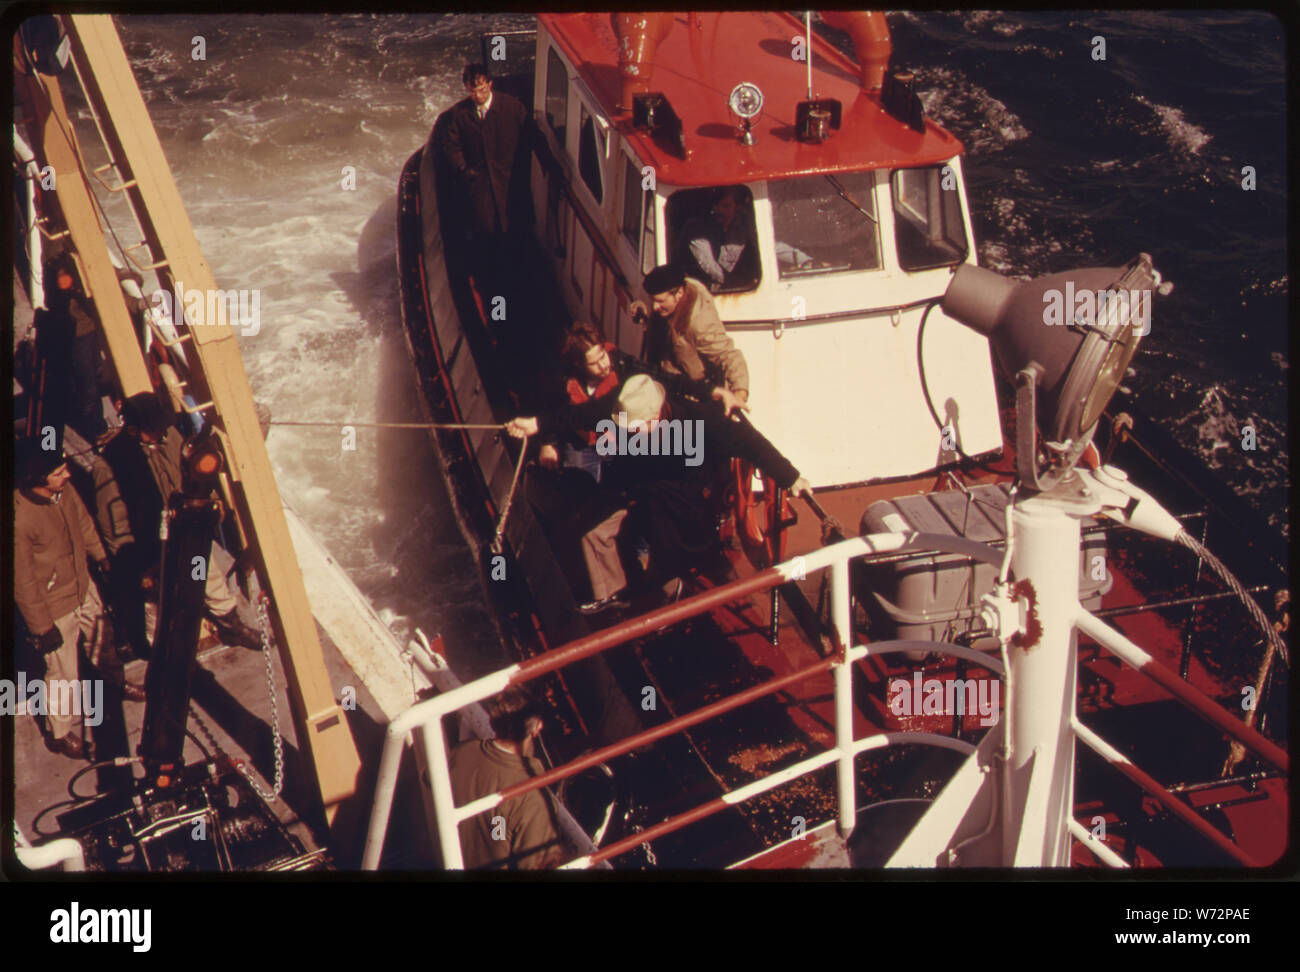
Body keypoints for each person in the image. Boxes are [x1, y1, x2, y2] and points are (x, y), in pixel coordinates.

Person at [513, 375, 810, 614]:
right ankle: (615, 599)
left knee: (663, 555)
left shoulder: (701, 422)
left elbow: (750, 443)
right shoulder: (623, 410)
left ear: (656, 414)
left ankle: (664, 596)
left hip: (680, 503)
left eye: (636, 427)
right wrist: (536, 424)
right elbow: (578, 415)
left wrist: (791, 477)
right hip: (634, 486)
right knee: (592, 532)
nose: (628, 432)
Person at [93, 392, 261, 654]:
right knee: (155, 601)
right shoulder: (110, 464)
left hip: (186, 528)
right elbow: (114, 525)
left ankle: (231, 624)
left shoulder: (169, 436)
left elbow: (195, 471)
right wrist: (137, 567)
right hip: (149, 547)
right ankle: (156, 648)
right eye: (155, 430)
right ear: (134, 428)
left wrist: (213, 501)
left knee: (208, 573)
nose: (161, 433)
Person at [13, 439, 136, 760]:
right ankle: (60, 733)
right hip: (54, 607)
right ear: (37, 481)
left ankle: (117, 684)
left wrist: (101, 558)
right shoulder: (18, 521)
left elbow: (83, 523)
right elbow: (22, 582)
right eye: (58, 472)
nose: (67, 475)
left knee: (104, 643)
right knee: (63, 674)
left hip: (83, 587)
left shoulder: (63, 493)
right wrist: (41, 628)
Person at [447, 687, 567, 870]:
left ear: (493, 722)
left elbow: (498, 828)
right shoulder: (532, 798)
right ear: (537, 727)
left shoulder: (461, 753)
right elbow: (539, 865)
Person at [435, 63, 533, 280]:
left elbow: (533, 137)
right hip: (479, 185)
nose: (478, 95)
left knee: (514, 227)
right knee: (485, 230)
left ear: (490, 84)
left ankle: (515, 275)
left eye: (482, 89)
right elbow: (451, 145)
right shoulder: (460, 115)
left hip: (509, 182)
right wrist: (463, 170)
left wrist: (549, 166)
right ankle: (491, 275)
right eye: (472, 91)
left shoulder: (512, 108)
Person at [632, 264, 750, 405]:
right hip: (667, 374)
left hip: (695, 391)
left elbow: (729, 355)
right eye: (653, 301)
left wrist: (739, 394)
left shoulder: (700, 324)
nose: (655, 307)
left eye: (660, 302)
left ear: (679, 294)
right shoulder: (674, 290)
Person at [676, 186, 758, 292]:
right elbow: (709, 266)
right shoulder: (696, 229)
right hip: (702, 291)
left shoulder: (744, 224)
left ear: (736, 208)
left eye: (726, 206)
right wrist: (739, 283)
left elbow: (769, 246)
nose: (719, 211)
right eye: (715, 206)